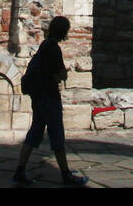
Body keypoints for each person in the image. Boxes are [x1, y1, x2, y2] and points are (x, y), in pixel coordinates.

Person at [13, 15, 87, 186]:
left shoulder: (43, 46)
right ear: (64, 31)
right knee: (57, 136)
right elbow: (62, 74)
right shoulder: (54, 49)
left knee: (34, 134)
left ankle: (19, 170)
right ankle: (66, 174)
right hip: (49, 97)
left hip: (38, 97)